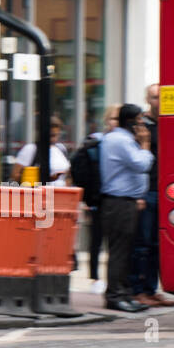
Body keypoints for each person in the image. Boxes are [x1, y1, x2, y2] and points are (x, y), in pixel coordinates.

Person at [99, 103, 156, 312]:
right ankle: (114, 296)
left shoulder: (122, 139)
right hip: (118, 203)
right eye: (140, 119)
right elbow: (141, 164)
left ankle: (123, 293)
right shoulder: (120, 140)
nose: (142, 124)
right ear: (130, 120)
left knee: (126, 251)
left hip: (126, 202)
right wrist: (146, 144)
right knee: (120, 252)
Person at [132, 84, 174, 307]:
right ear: (147, 100)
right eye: (155, 97)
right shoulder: (142, 125)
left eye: (162, 97)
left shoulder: (171, 122)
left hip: (168, 191)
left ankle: (151, 289)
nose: (159, 101)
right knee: (143, 243)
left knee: (159, 243)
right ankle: (138, 290)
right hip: (146, 190)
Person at [70, 106, 120, 290]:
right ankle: (95, 278)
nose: (117, 122)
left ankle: (113, 280)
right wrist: (87, 199)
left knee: (117, 241)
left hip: (116, 196)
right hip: (99, 198)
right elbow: (81, 170)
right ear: (107, 119)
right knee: (97, 239)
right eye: (114, 118)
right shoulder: (96, 142)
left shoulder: (126, 141)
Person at [11, 115, 70, 186]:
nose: (53, 139)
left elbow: (67, 176)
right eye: (51, 135)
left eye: (56, 135)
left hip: (61, 194)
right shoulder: (31, 149)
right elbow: (15, 175)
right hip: (40, 194)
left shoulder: (61, 148)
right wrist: (45, 178)